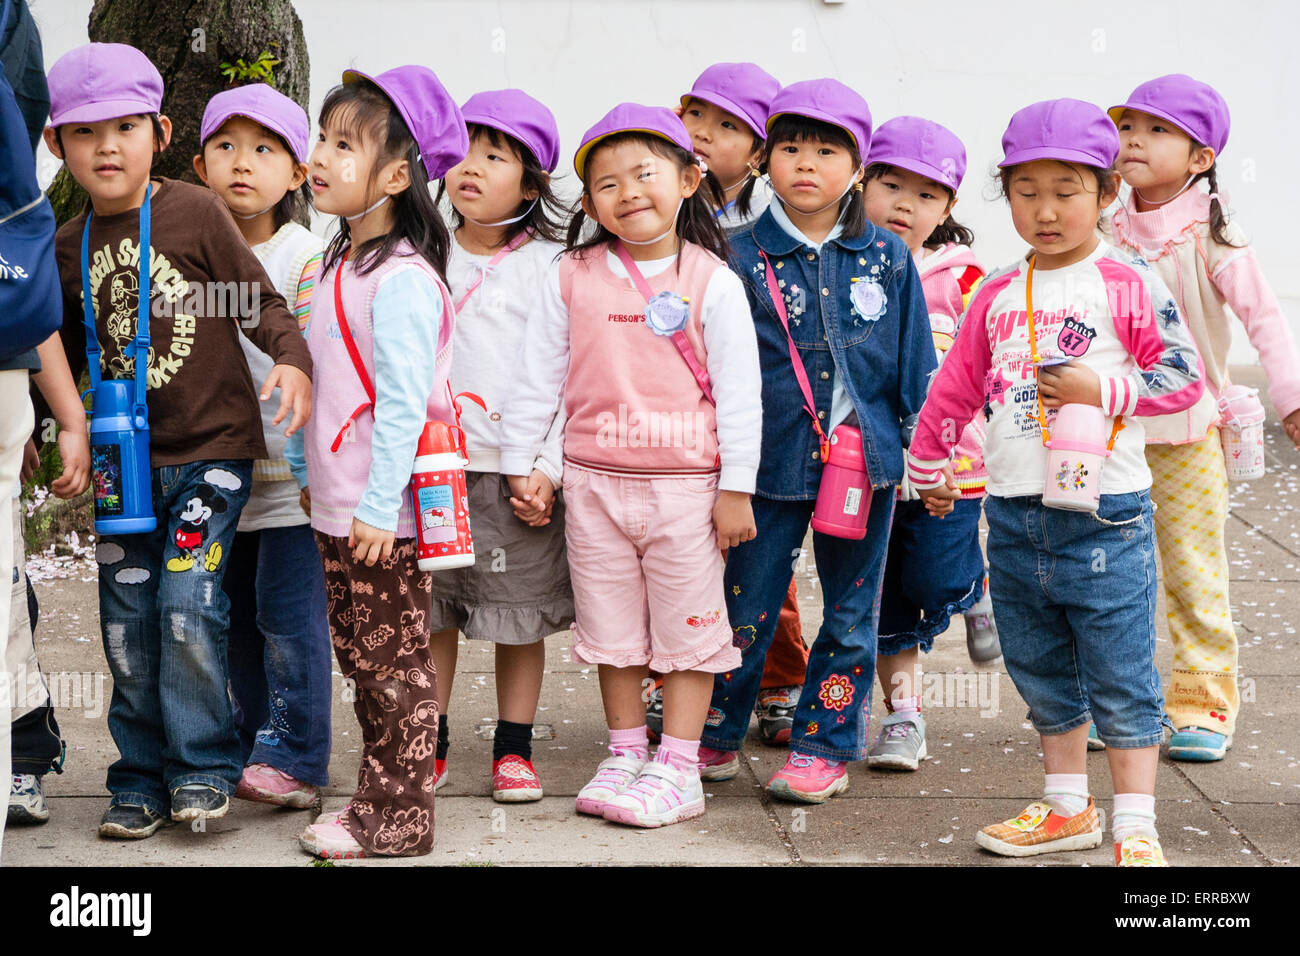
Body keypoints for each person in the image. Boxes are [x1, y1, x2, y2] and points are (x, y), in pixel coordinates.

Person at [908, 98, 1204, 866]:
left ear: (1107, 193)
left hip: (1105, 512)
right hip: (1011, 512)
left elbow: (1182, 379)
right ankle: (1067, 806)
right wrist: (928, 463)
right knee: (1038, 663)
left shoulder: (1125, 279)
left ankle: (1135, 822)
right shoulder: (998, 291)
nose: (1045, 210)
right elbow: (956, 388)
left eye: (1067, 191)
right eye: (1025, 191)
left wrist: (1100, 394)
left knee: (1120, 666)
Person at [43, 42, 313, 840]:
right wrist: (43, 433)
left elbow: (256, 303)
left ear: (159, 132)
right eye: (86, 133)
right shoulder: (63, 246)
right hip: (123, 472)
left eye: (125, 127)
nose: (107, 147)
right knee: (126, 618)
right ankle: (139, 775)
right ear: (58, 145)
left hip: (211, 455)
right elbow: (47, 350)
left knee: (188, 604)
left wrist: (293, 361)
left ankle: (201, 767)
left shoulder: (197, 213)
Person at [499, 103, 762, 828]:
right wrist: (526, 462)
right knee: (611, 631)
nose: (627, 192)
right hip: (591, 485)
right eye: (606, 183)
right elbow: (538, 377)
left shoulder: (714, 281)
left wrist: (736, 488)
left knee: (687, 633)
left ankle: (677, 767)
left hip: (686, 490)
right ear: (589, 204)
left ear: (688, 179)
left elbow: (742, 395)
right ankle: (623, 753)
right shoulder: (573, 274)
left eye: (643, 174)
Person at [696, 80, 936, 803]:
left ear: (857, 167)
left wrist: (923, 454)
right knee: (743, 606)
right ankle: (712, 732)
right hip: (764, 465)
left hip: (864, 468)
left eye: (827, 150)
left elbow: (916, 363)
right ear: (766, 159)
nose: (806, 163)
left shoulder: (887, 258)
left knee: (853, 613)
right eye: (790, 148)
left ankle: (823, 744)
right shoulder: (732, 255)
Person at [295, 65, 467, 859]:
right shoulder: (343, 262)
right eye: (319, 139)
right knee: (365, 663)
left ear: (397, 176)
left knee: (392, 667)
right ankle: (375, 798)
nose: (318, 156)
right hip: (343, 507)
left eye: (342, 145)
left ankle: (398, 818)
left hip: (381, 516)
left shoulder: (399, 280)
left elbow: (402, 404)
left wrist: (372, 505)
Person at [1107, 75, 1300, 761]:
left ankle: (1204, 707)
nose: (1134, 139)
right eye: (1128, 126)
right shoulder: (1102, 222)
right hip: (1105, 429)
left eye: (1157, 130)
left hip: (1189, 431)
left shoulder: (1212, 233)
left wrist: (1292, 398)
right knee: (1106, 574)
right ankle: (1120, 702)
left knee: (1191, 570)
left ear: (1200, 159)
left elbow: (1266, 320)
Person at [428, 88, 574, 802]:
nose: (470, 167)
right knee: (433, 612)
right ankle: (430, 739)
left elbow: (573, 373)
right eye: (460, 151)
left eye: (494, 154)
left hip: (513, 475)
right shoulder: (420, 248)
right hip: (432, 471)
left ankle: (514, 748)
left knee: (519, 616)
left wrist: (546, 466)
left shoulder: (554, 264)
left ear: (532, 180)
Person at [193, 84, 331, 808]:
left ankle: (301, 755)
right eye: (226, 147)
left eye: (264, 149)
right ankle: (253, 741)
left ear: (298, 172)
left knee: (288, 619)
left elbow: (316, 361)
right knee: (230, 619)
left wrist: (315, 468)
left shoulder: (303, 256)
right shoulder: (188, 254)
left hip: (288, 481)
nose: (242, 163)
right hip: (214, 478)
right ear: (198, 162)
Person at [673, 61, 807, 747]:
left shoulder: (765, 218)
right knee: (683, 553)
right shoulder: (657, 196)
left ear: (757, 152)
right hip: (674, 404)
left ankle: (782, 682)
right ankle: (681, 677)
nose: (703, 134)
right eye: (696, 115)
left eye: (728, 127)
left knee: (760, 560)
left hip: (758, 405)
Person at [859, 115, 995, 772]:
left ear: (947, 208)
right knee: (886, 597)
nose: (904, 204)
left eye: (926, 194)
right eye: (890, 185)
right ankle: (904, 718)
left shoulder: (966, 282)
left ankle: (974, 588)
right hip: (874, 468)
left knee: (933, 578)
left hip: (953, 470)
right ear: (861, 184)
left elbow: (1000, 362)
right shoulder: (847, 269)